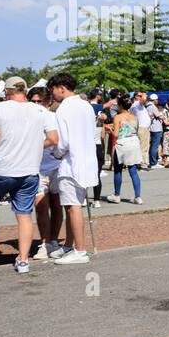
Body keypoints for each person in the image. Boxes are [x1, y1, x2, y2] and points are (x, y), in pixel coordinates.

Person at [0, 77, 58, 274]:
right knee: (24, 214)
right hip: (30, 170)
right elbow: (53, 139)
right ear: (24, 91)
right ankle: (23, 259)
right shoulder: (41, 110)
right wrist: (33, 145)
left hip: (4, 168)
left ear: (7, 91)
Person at [48, 73, 99, 264]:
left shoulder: (63, 109)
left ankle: (80, 249)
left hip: (71, 162)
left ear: (61, 87)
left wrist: (57, 154)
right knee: (74, 204)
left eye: (53, 89)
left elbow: (63, 142)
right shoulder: (86, 105)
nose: (52, 94)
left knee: (72, 207)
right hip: (86, 160)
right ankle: (70, 245)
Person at [28, 87, 65, 260]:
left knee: (57, 206)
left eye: (39, 101)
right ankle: (44, 242)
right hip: (36, 167)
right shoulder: (26, 119)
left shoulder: (55, 118)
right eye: (33, 101)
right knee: (40, 206)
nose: (37, 105)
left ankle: (54, 241)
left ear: (48, 102)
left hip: (57, 166)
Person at [106, 95, 145, 204]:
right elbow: (135, 130)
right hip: (134, 142)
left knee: (118, 170)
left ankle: (117, 195)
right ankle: (138, 197)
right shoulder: (134, 117)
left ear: (120, 105)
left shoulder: (118, 117)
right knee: (133, 171)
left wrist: (110, 130)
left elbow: (117, 134)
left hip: (122, 144)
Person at [146, 95, 165, 169]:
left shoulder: (147, 106)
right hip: (156, 128)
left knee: (152, 145)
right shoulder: (153, 107)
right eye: (157, 99)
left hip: (151, 127)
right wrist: (162, 116)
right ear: (154, 100)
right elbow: (159, 116)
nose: (157, 101)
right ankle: (153, 163)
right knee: (155, 145)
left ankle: (152, 162)